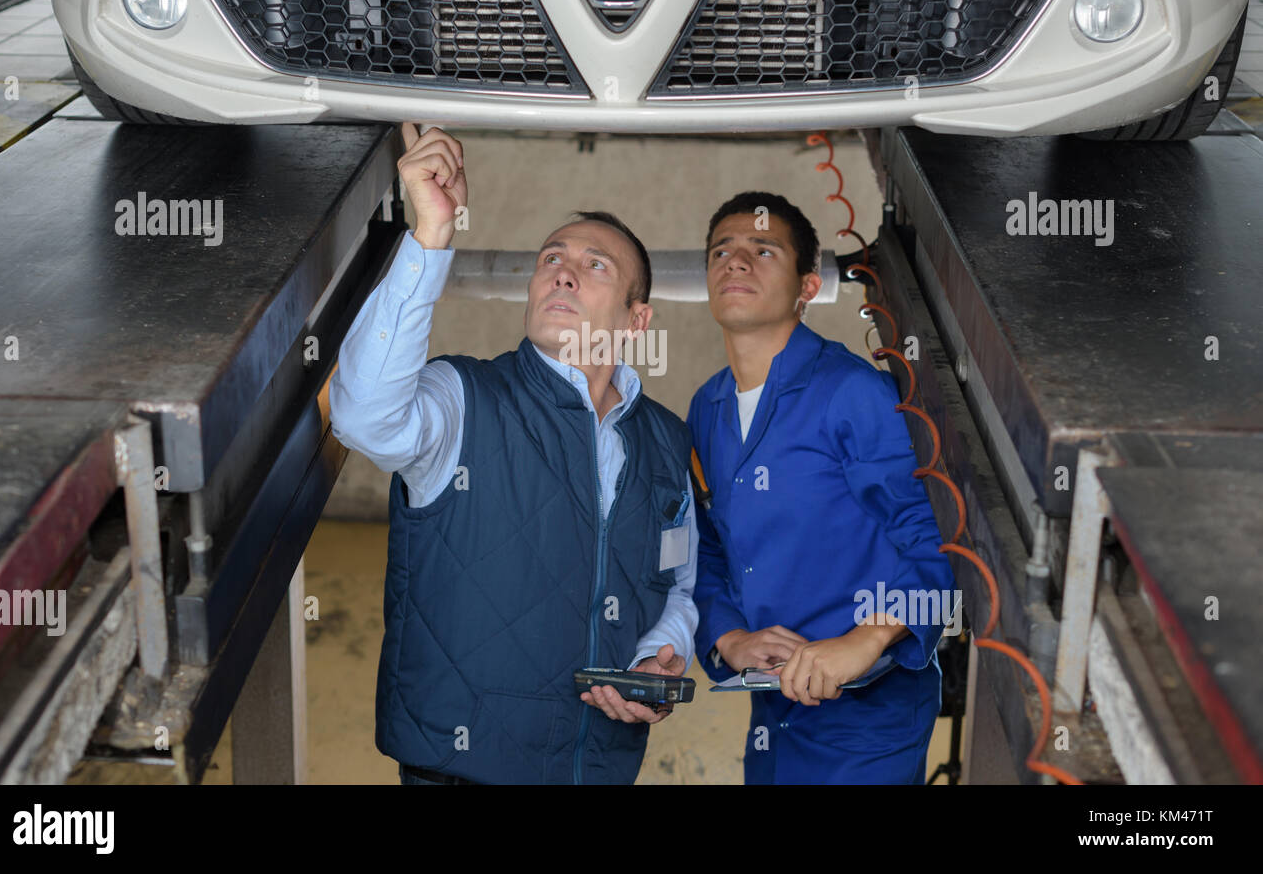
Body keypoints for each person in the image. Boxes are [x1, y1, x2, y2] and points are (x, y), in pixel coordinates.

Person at [330, 124, 699, 785]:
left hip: (600, 768)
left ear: (636, 320)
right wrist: (431, 236)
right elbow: (363, 415)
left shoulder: (668, 443)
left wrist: (661, 653)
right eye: (550, 257)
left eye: (596, 265)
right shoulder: (465, 397)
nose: (562, 270)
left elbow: (677, 580)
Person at [688, 191, 955, 784]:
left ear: (808, 287)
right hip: (772, 711)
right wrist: (730, 637)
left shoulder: (850, 393)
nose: (735, 262)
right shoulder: (706, 408)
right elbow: (706, 547)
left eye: (763, 250)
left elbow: (937, 535)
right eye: (721, 251)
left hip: (869, 713)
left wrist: (868, 637)